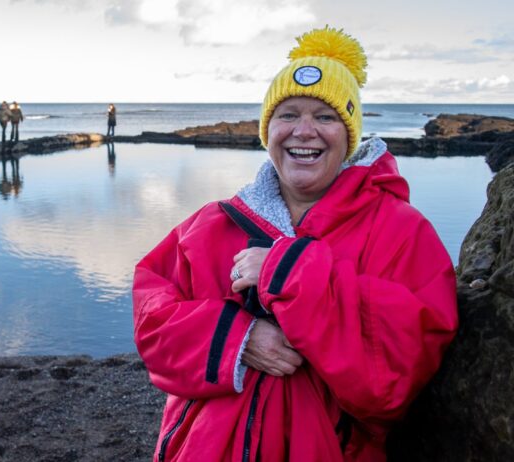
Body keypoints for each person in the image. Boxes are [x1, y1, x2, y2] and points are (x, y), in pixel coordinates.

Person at [133, 26, 458, 462]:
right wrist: (237, 339)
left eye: (325, 117)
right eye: (287, 115)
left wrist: (287, 274)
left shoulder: (401, 230)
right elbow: (153, 319)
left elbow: (405, 362)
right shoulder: (212, 223)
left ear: (350, 135)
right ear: (268, 132)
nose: (304, 131)